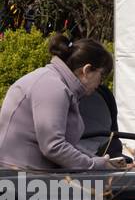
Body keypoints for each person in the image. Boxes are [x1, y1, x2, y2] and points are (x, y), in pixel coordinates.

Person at [0, 35, 117, 171]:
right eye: (101, 76)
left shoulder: (55, 83)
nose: (100, 84)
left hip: (26, 177)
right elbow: (53, 146)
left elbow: (61, 144)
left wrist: (97, 160)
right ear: (86, 70)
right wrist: (94, 164)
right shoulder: (53, 87)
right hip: (21, 180)